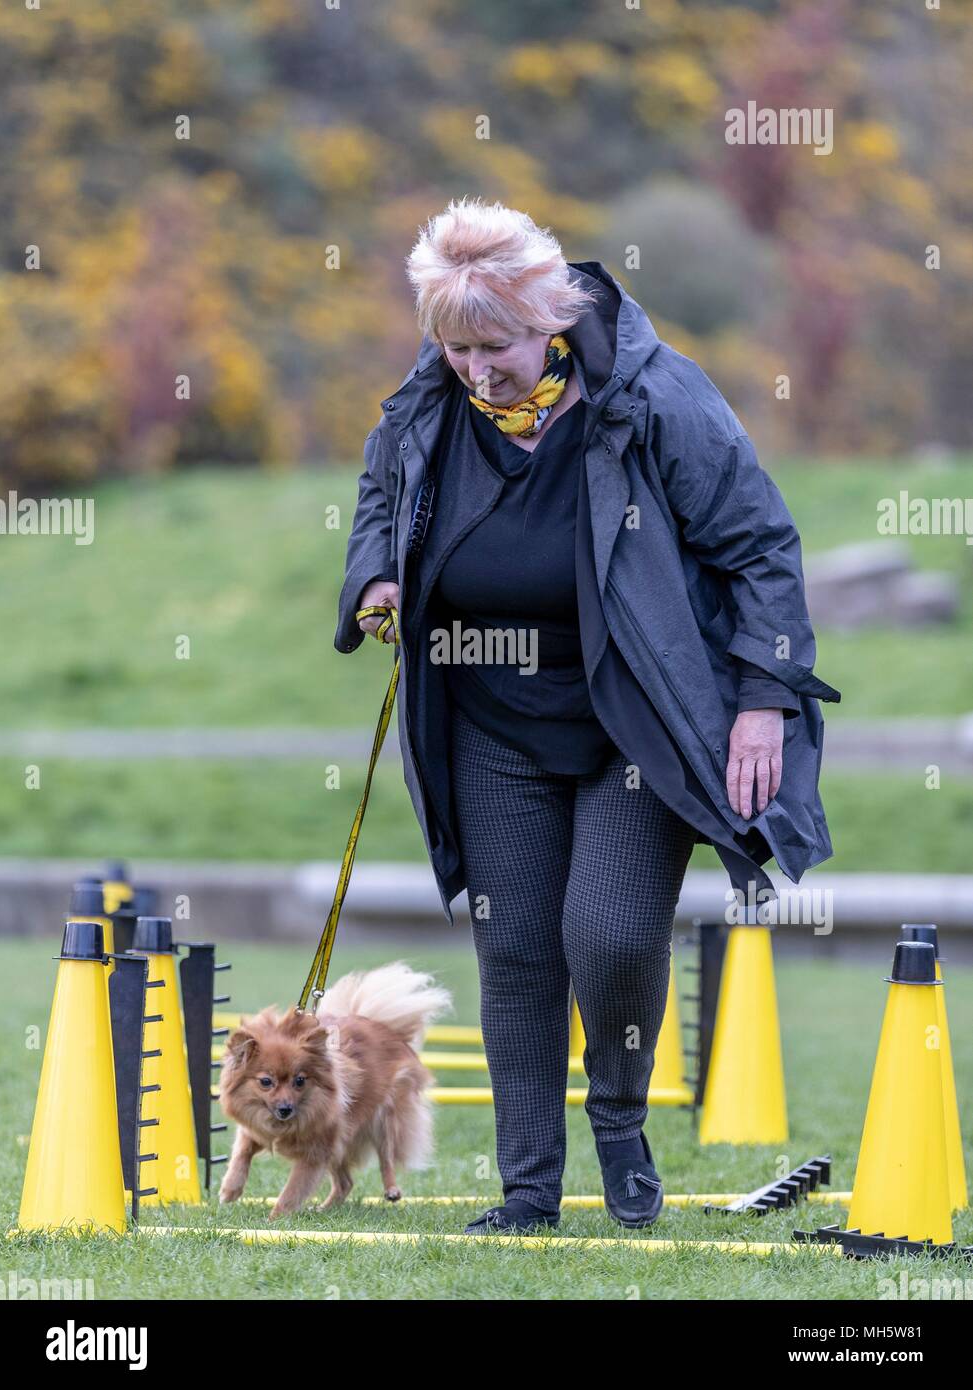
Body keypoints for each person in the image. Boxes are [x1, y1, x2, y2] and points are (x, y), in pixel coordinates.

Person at [335, 196, 840, 1234]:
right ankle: (526, 1190)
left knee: (606, 937)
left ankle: (618, 1117)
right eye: (454, 348)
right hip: (488, 716)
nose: (476, 372)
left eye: (495, 347)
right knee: (513, 947)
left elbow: (759, 544)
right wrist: (373, 580)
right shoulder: (429, 402)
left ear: (550, 318)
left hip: (632, 718)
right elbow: (381, 492)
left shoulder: (652, 396)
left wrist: (762, 702)